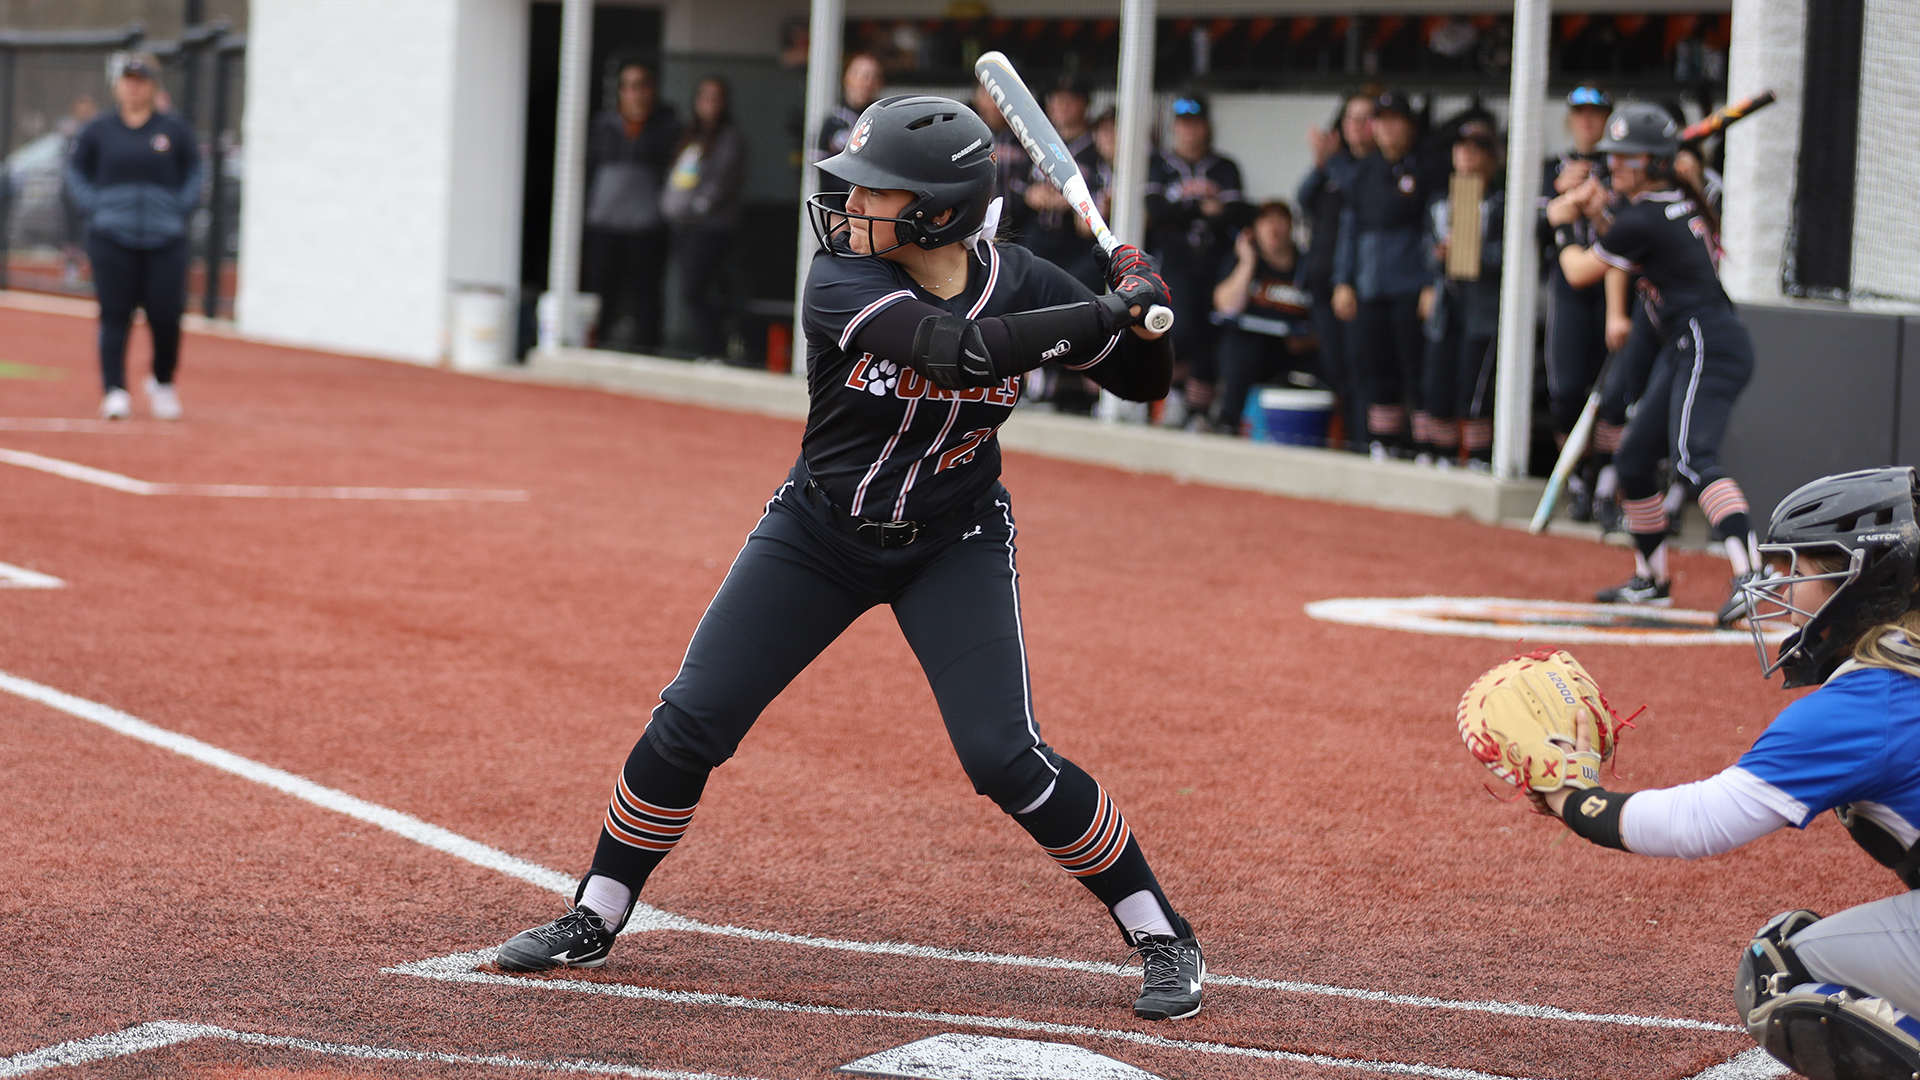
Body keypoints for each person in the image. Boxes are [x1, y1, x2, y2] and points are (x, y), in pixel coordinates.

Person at [493, 94, 1207, 1023]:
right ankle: (595, 911)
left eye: (875, 193)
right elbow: (958, 352)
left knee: (1004, 756)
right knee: (693, 718)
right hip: (818, 533)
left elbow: (1141, 379)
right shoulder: (840, 280)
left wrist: (1147, 316)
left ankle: (1161, 932)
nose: (849, 208)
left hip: (953, 540)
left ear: (940, 211)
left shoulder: (1024, 281)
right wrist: (1104, 309)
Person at [1539, 466, 1920, 1079]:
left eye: (1799, 570)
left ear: (1873, 580)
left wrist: (1570, 794)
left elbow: (1699, 823)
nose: (1777, 589)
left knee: (1782, 967)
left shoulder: (1868, 701)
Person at [1547, 101, 1758, 622]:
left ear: (1653, 161)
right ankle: (1652, 579)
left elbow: (1578, 271)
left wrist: (1561, 222)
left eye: (1624, 158)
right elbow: (1625, 236)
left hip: (1708, 342)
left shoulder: (1645, 216)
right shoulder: (1667, 203)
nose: (1613, 166)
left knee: (1692, 457)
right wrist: (1595, 212)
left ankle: (1754, 576)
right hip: (1690, 344)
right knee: (1635, 459)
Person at [64, 54, 201, 422]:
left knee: (166, 314)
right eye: (127, 79)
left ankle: (162, 382)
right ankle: (114, 390)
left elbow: (194, 171)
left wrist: (179, 208)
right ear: (117, 85)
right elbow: (76, 171)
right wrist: (95, 206)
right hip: (111, 236)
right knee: (114, 314)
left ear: (153, 85)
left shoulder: (174, 130)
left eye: (141, 79)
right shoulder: (98, 129)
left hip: (165, 237)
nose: (133, 86)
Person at [1333, 89, 1448, 460]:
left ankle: (1423, 445)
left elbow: (1437, 229)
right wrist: (1343, 281)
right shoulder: (1362, 172)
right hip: (1369, 286)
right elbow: (1348, 231)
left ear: (1409, 126)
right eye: (1380, 122)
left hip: (1412, 286)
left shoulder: (1429, 168)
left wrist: (1433, 283)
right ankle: (1384, 443)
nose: (1387, 129)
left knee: (1416, 369)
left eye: (1395, 121)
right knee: (1375, 366)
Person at [1144, 93, 1248, 428]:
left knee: (1212, 332)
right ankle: (1174, 395)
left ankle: (1199, 410)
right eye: (1183, 124)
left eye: (1196, 123)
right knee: (1180, 326)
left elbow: (1234, 214)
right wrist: (1200, 208)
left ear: (1206, 126)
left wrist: (1185, 214)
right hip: (1175, 259)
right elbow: (1158, 213)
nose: (1189, 130)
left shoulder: (1224, 167)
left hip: (1215, 260)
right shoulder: (1159, 164)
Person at [1539, 87, 1614, 519]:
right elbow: (1530, 233)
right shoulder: (1551, 167)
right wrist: (1558, 197)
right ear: (1569, 118)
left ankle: (1604, 481)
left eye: (1596, 112)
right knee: (1565, 390)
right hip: (1567, 288)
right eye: (1580, 112)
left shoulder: (1618, 167)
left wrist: (1599, 203)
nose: (1587, 120)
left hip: (1612, 287)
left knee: (1611, 392)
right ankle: (1577, 480)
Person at [1416, 121, 1504, 469]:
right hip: (1445, 307)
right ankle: (1442, 454)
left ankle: (1480, 458)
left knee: (1475, 386)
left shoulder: (1501, 204)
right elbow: (1424, 249)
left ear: (1490, 158)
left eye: (1476, 149)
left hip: (1483, 310)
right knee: (1437, 381)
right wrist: (1439, 256)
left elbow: (1509, 258)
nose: (1466, 156)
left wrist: (1472, 252)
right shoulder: (1440, 201)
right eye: (1461, 148)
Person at [1296, 92, 1375, 452]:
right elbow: (1303, 198)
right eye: (1351, 118)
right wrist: (1318, 163)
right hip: (1321, 281)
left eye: (1365, 118)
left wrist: (1329, 163)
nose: (1357, 126)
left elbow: (1355, 191)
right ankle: (1343, 441)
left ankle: (1363, 443)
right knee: (1334, 368)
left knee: (1361, 368)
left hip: (1360, 285)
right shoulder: (1331, 165)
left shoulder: (1372, 169)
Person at [584, 59, 681, 352]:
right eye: (627, 87)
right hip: (605, 226)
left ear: (651, 90)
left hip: (646, 228)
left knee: (646, 294)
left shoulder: (668, 127)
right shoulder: (603, 126)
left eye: (639, 86)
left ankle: (648, 352)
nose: (633, 93)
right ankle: (594, 347)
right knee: (600, 291)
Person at [1206, 201, 1316, 436]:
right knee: (1241, 347)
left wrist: (1309, 341)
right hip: (1252, 351)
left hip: (1295, 349)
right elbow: (1227, 306)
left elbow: (1323, 321)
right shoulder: (1244, 261)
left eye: (1280, 220)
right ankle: (1228, 420)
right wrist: (1247, 261)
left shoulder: (1307, 265)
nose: (1274, 228)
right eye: (1266, 221)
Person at [662, 76, 746, 359]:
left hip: (711, 228)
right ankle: (711, 348)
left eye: (715, 97)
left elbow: (721, 185)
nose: (708, 103)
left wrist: (695, 208)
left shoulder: (730, 138)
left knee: (694, 289)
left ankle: (716, 350)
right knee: (691, 289)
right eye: (704, 97)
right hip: (682, 226)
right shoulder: (690, 136)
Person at [1012, 75, 1101, 291]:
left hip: (1078, 244)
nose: (1061, 106)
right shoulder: (1034, 140)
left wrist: (1074, 202)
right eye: (1056, 99)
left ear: (1085, 104)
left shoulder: (1098, 146)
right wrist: (1029, 195)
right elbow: (1012, 187)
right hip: (1038, 236)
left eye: (1070, 101)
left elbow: (1108, 192)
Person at [813, 52, 885, 163]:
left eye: (873, 76)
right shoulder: (834, 121)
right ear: (847, 78)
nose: (866, 82)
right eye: (860, 75)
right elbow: (819, 163)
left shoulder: (881, 121)